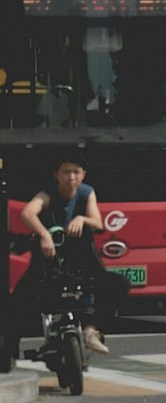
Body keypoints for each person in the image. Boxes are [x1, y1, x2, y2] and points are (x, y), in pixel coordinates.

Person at [5, 158, 103, 372]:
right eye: (66, 172)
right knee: (18, 303)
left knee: (114, 285)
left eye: (76, 172)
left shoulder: (87, 193)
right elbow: (27, 213)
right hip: (48, 259)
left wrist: (82, 220)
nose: (71, 177)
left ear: (83, 174)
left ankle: (91, 330)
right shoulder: (48, 194)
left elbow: (98, 222)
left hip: (78, 259)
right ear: (56, 174)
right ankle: (9, 351)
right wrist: (44, 235)